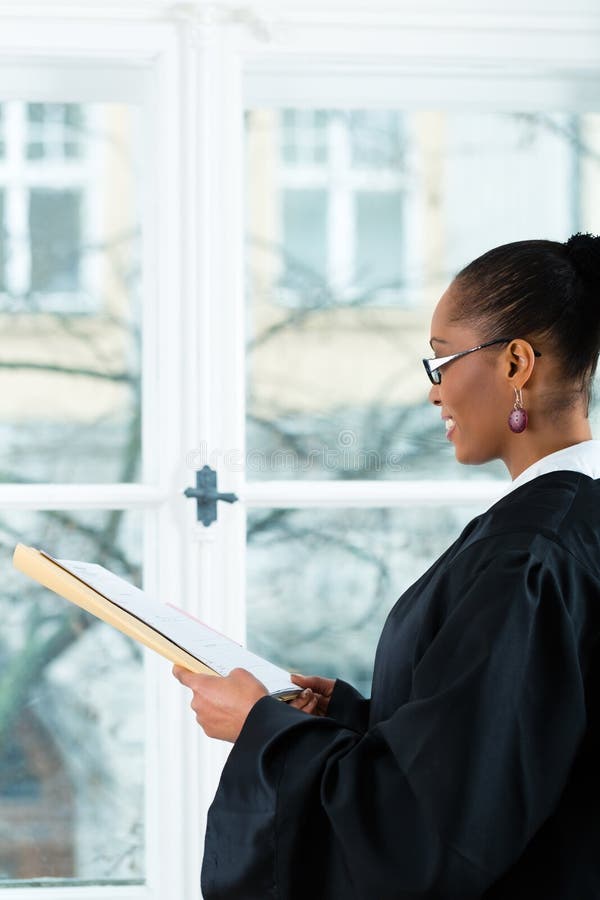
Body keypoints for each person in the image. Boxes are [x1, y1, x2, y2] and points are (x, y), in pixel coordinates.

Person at [173, 233, 600, 899]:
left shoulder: (530, 555)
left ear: (516, 363)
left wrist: (264, 730)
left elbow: (431, 830)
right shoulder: (567, 524)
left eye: (442, 361)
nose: (434, 394)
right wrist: (343, 717)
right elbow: (505, 740)